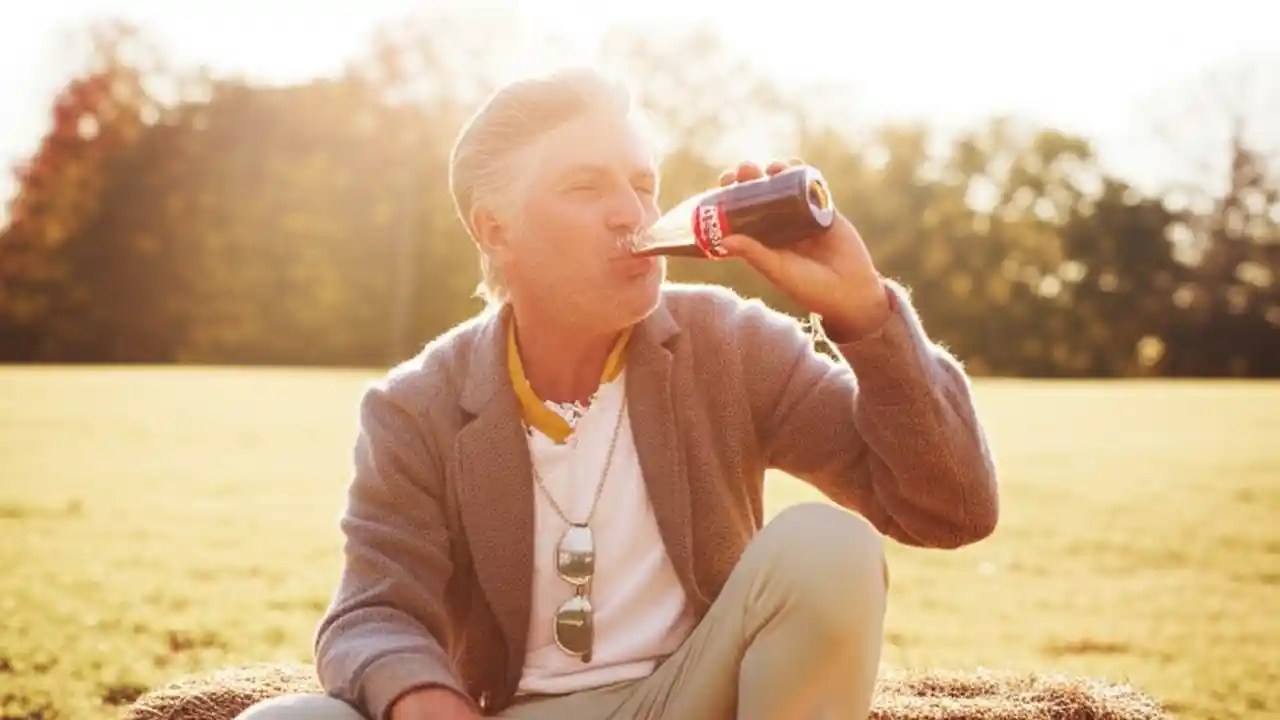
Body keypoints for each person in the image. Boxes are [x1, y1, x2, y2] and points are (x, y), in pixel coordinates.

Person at [238, 67, 999, 720]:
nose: (632, 214)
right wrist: (425, 702)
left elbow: (949, 509)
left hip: (695, 698)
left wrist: (865, 313)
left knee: (827, 546)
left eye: (643, 185)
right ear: (496, 229)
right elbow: (373, 612)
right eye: (585, 186)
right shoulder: (414, 407)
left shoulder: (730, 344)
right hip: (514, 711)